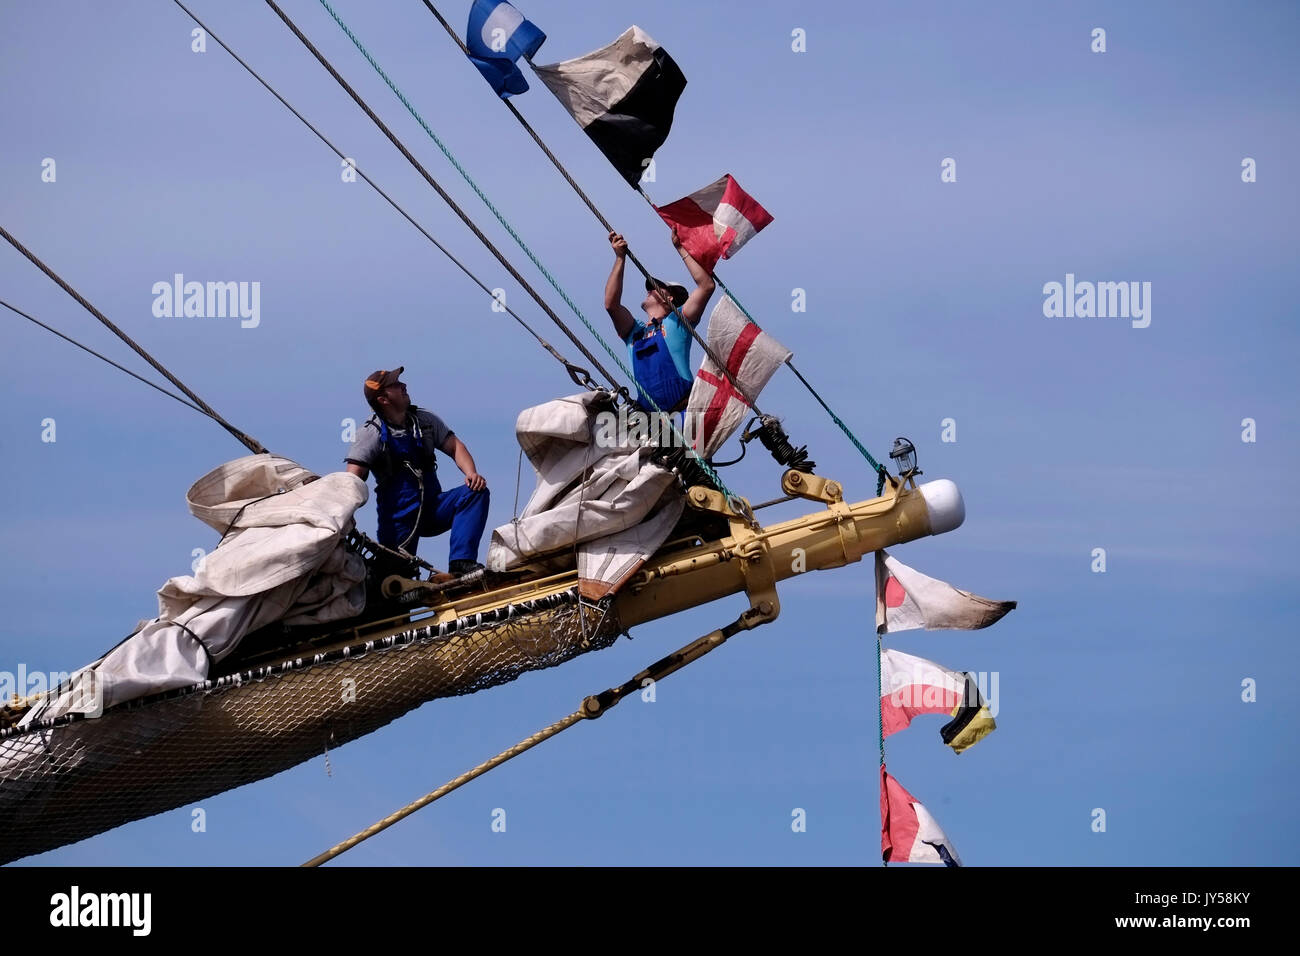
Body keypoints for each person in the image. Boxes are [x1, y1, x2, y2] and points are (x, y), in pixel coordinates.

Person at [344, 367, 489, 575]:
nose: (404, 386)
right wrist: (346, 514)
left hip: (432, 509)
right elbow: (352, 478)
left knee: (474, 493)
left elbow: (455, 446)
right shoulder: (370, 433)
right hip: (398, 523)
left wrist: (471, 473)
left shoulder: (424, 421)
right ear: (383, 399)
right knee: (396, 583)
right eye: (395, 385)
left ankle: (461, 562)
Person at [604, 228, 716, 413]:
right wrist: (619, 258)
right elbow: (611, 304)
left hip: (683, 410)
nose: (648, 290)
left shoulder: (677, 322)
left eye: (655, 288)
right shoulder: (634, 332)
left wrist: (680, 248)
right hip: (650, 418)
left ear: (669, 298)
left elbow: (707, 286)